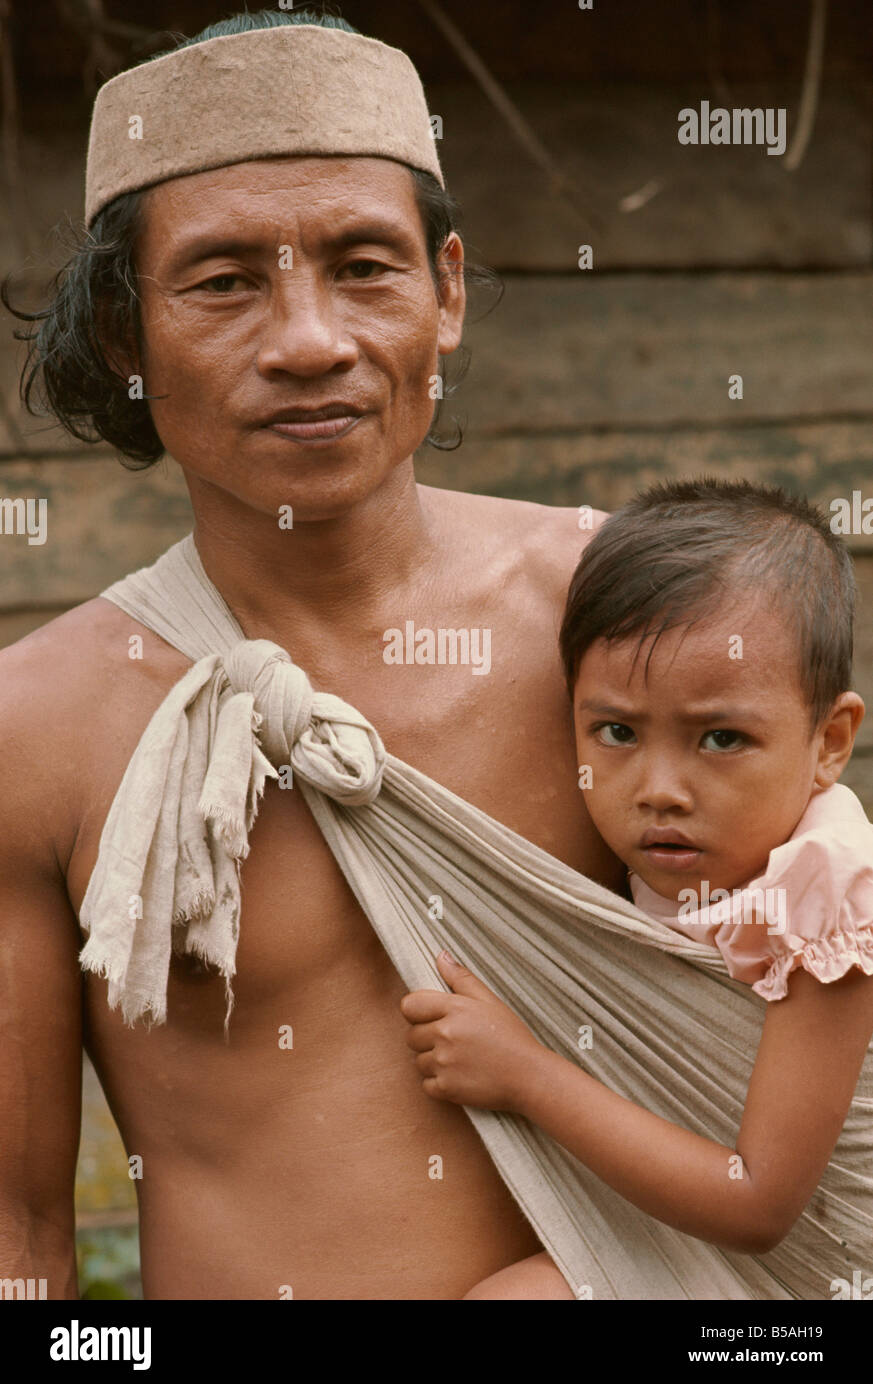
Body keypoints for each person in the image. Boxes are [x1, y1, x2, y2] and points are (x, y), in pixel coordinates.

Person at [0, 9, 621, 1299]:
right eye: (225, 282)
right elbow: (20, 1250)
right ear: (125, 339)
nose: (309, 341)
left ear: (445, 293)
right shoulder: (34, 731)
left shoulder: (614, 620)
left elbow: (806, 1048)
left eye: (364, 266)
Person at [400, 480, 873, 1299]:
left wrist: (524, 1074)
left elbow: (758, 1201)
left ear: (828, 742)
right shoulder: (641, 852)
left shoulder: (825, 895)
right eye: (615, 731)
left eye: (720, 738)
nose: (658, 789)